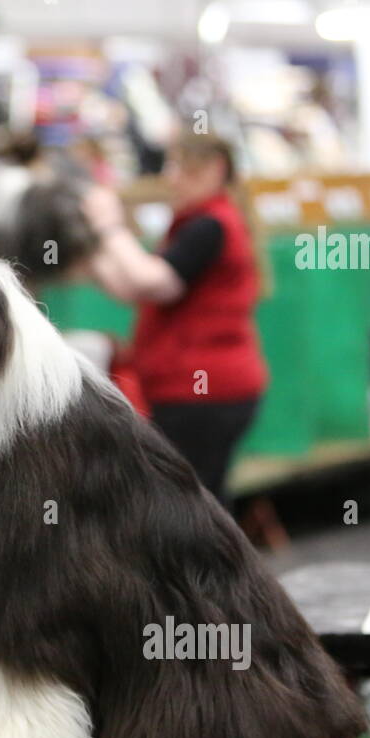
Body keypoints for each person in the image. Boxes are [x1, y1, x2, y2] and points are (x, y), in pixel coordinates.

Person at [84, 130, 267, 507]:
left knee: (192, 507)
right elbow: (131, 288)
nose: (171, 178)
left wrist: (109, 226)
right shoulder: (202, 223)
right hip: (205, 390)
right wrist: (86, 255)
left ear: (214, 170)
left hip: (203, 394)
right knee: (202, 501)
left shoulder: (209, 226)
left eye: (182, 168)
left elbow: (153, 282)